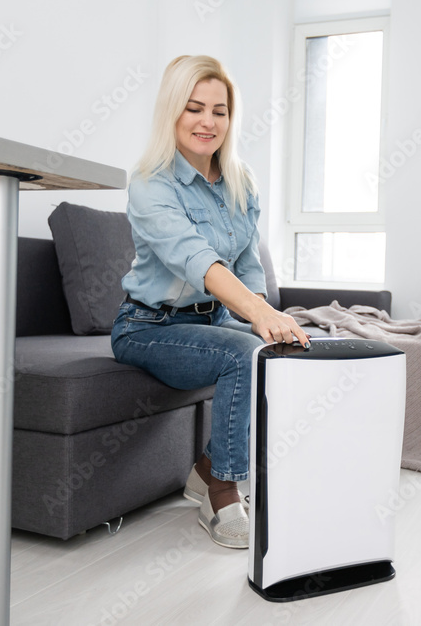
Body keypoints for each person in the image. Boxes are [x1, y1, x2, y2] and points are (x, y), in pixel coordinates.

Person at [111, 55, 310, 549]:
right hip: (148, 327)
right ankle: (221, 488)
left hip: (211, 321)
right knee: (242, 353)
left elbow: (246, 264)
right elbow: (194, 258)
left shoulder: (240, 182)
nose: (207, 122)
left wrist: (260, 313)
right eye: (194, 108)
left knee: (290, 349)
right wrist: (259, 315)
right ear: (172, 112)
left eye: (219, 111)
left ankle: (207, 467)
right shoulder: (149, 183)